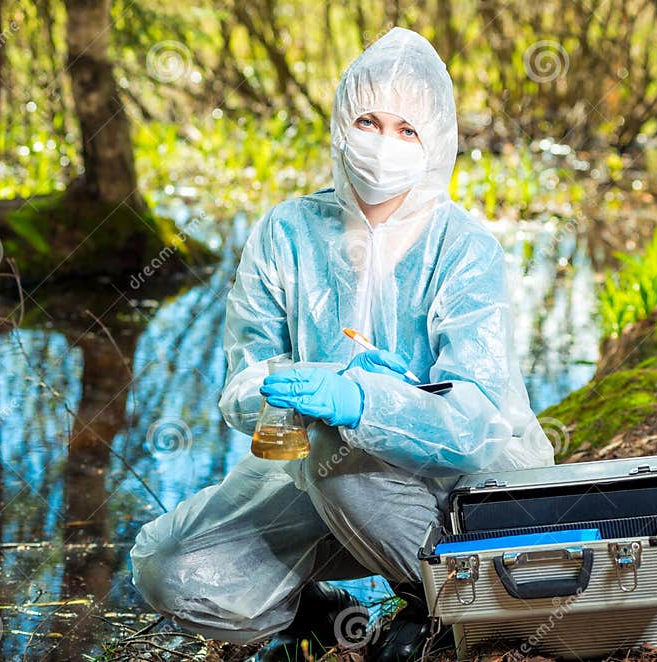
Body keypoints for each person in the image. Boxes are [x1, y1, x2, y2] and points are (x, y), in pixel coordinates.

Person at [129, 27, 555, 660]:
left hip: (454, 488)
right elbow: (242, 377)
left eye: (407, 129)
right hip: (315, 472)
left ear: (436, 141)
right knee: (172, 565)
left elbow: (480, 424)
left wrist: (369, 403)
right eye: (368, 120)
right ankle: (320, 612)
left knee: (342, 452)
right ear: (340, 124)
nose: (384, 144)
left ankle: (436, 603)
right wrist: (280, 393)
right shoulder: (287, 233)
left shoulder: (463, 251)